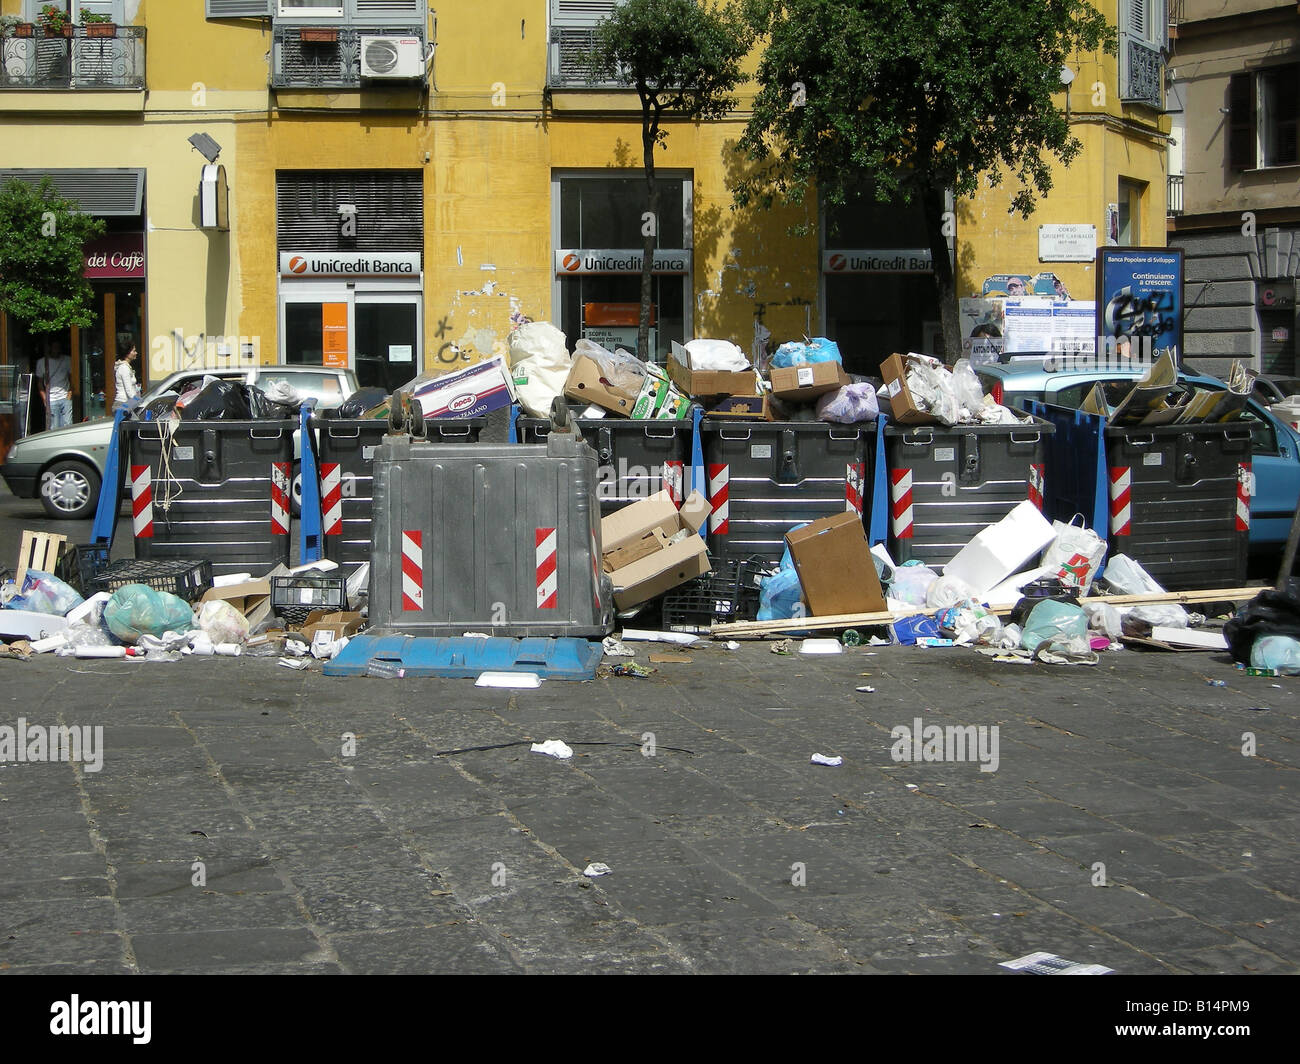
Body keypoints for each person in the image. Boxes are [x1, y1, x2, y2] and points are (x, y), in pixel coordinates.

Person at [38, 342, 73, 429]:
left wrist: (70, 393)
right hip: (52, 399)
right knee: (54, 427)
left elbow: (72, 378)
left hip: (65, 397)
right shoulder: (42, 362)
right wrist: (45, 398)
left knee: (68, 425)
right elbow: (39, 382)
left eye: (58, 347)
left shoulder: (67, 360)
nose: (56, 350)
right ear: (50, 348)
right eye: (54, 347)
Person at [114, 344, 141, 412]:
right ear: (127, 353)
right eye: (134, 351)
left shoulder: (127, 367)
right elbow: (129, 390)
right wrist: (138, 402)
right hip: (123, 404)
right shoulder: (124, 368)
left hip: (127, 403)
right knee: (135, 422)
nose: (136, 353)